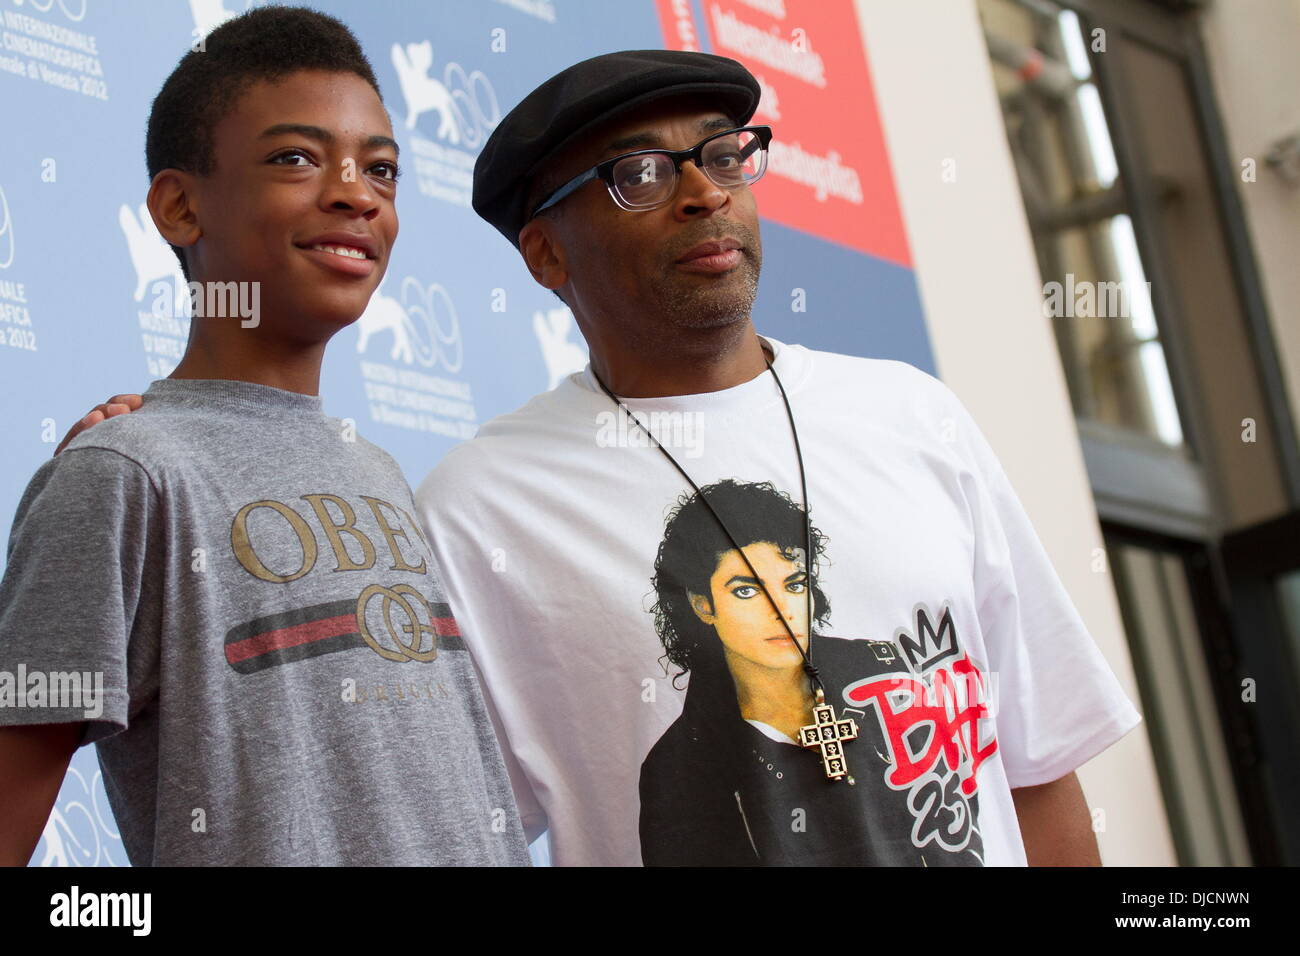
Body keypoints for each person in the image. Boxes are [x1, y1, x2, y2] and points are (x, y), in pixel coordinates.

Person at [56, 49, 1142, 867]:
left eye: (724, 153)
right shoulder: (470, 510)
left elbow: (1038, 766)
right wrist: (171, 435)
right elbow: (401, 794)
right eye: (636, 173)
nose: (704, 190)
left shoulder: (917, 416)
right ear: (543, 254)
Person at [0, 7, 529, 866]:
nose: (356, 192)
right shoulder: (123, 472)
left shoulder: (378, 468)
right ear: (178, 207)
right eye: (295, 158)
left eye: (382, 169)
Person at [639, 478, 984, 865]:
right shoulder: (679, 767)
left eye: (795, 584)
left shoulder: (883, 672)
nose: (781, 610)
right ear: (703, 605)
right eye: (746, 590)